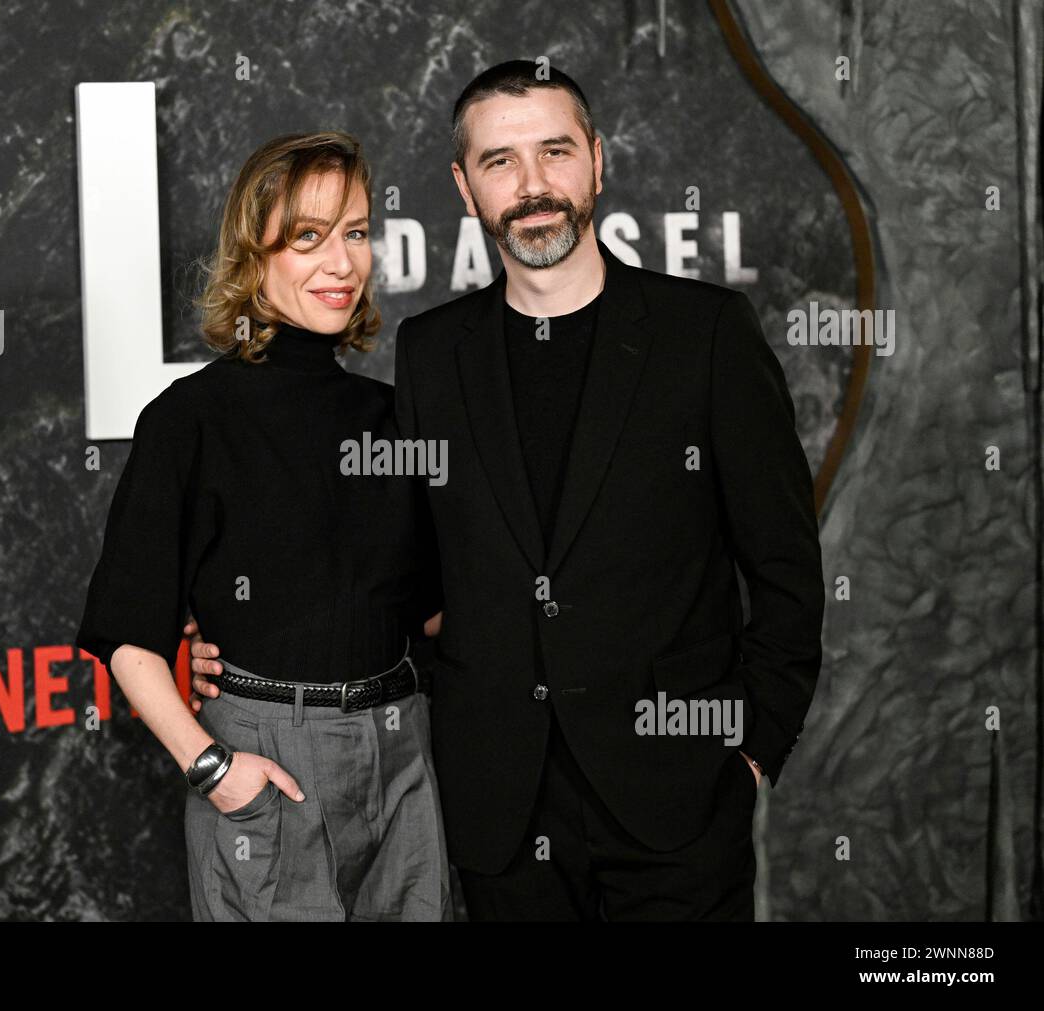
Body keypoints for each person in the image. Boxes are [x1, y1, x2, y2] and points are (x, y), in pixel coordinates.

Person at [188, 61, 825, 921]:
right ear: (464, 185)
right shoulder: (434, 352)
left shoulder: (704, 333)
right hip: (499, 813)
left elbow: (785, 563)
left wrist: (751, 746)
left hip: (675, 801)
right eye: (499, 161)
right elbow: (408, 573)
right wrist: (237, 644)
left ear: (598, 162)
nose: (532, 187)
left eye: (554, 152)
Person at [74, 131, 449, 922]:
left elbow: (429, 607)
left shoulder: (392, 416)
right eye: (307, 237)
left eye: (354, 232)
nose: (341, 263)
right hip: (268, 764)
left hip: (403, 750)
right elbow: (126, 634)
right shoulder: (190, 419)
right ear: (255, 255)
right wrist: (214, 768)